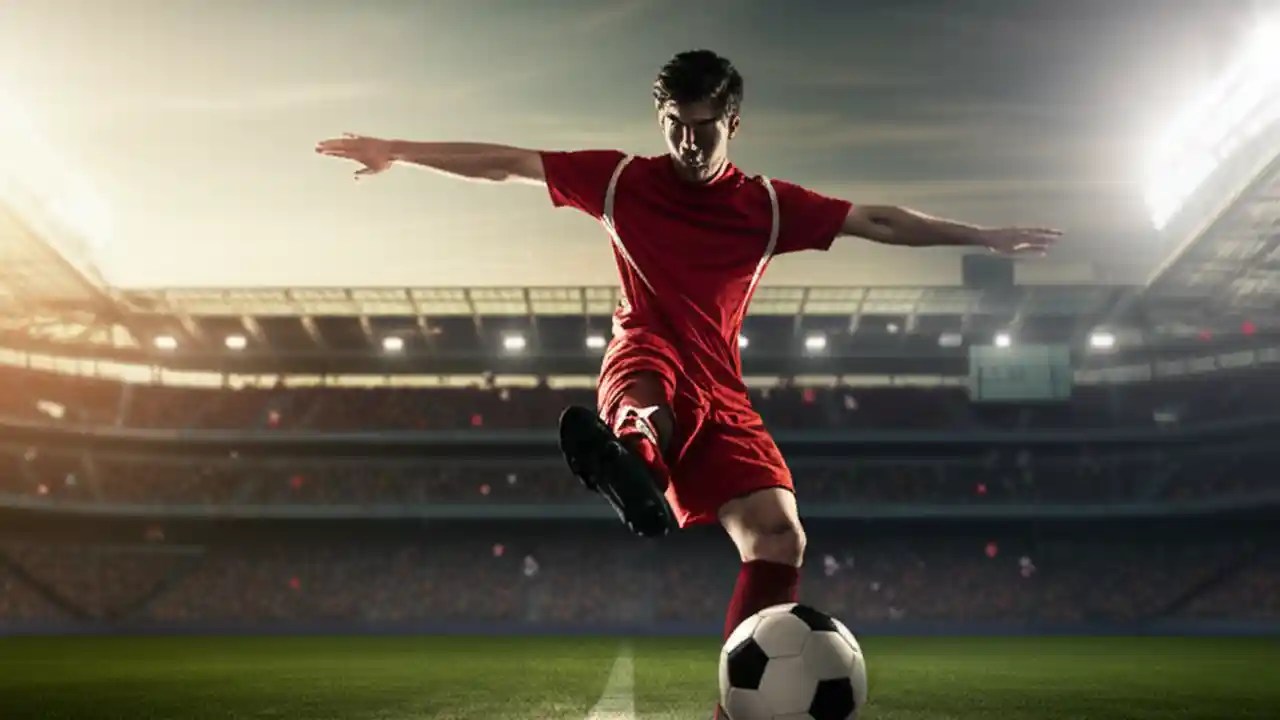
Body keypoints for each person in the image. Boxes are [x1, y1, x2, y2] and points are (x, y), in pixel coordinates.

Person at [318, 49, 1060, 716]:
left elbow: (880, 222)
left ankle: (736, 708)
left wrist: (983, 237)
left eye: (704, 127)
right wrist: (398, 151)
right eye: (675, 123)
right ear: (660, 117)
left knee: (779, 535)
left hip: (722, 390)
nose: (688, 142)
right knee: (650, 398)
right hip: (645, 354)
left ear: (733, 121)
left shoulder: (766, 207)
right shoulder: (619, 181)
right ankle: (631, 458)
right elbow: (505, 162)